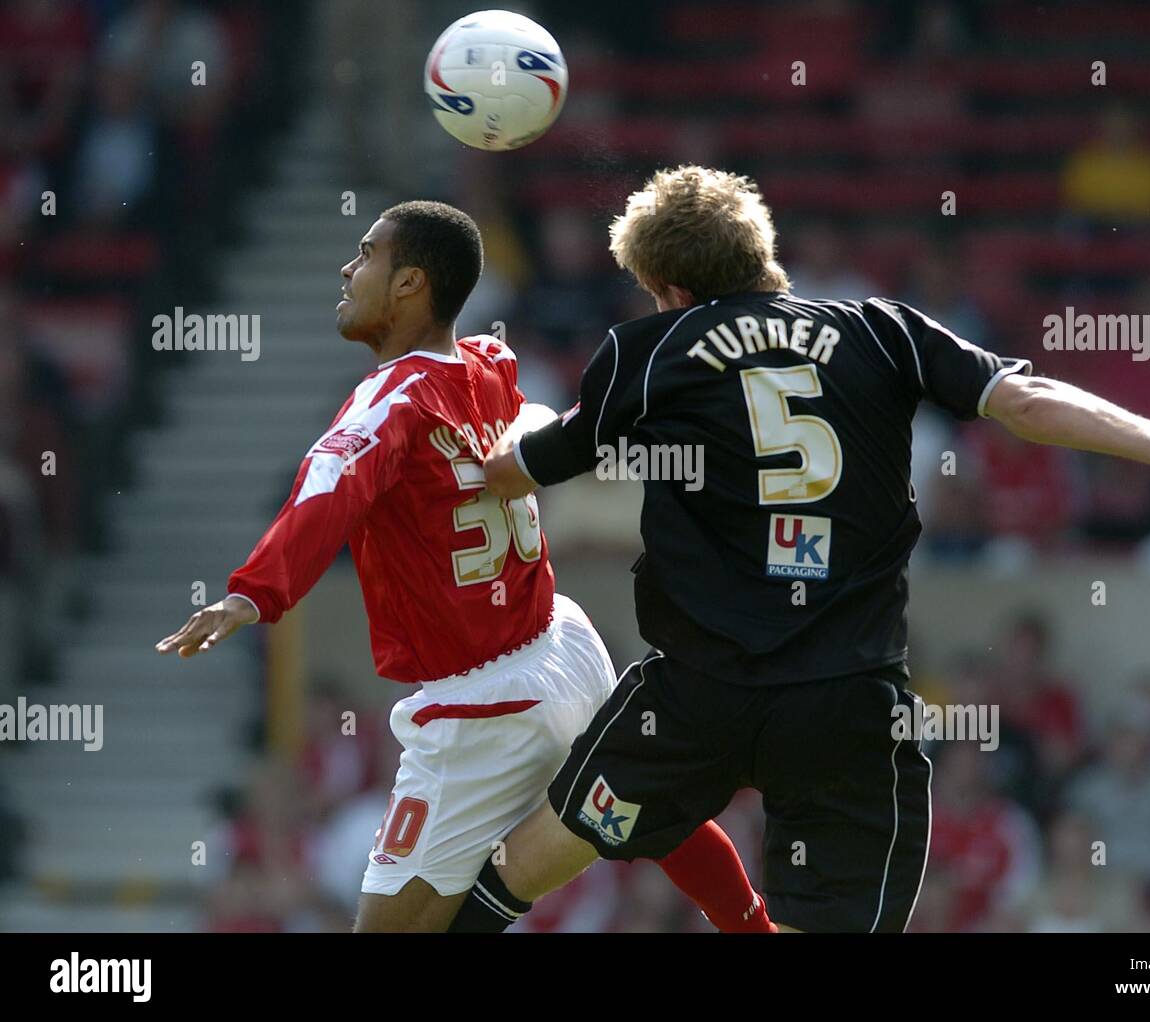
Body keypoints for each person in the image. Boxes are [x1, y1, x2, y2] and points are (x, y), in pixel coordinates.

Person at [452, 165, 1150, 933]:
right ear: (761, 253)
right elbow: (1028, 403)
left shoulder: (648, 350)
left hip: (697, 698)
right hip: (847, 707)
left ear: (671, 290)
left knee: (521, 868)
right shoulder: (885, 330)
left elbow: (516, 472)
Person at [156, 199, 773, 933]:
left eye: (366, 254)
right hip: (563, 647)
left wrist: (251, 594)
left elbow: (329, 487)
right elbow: (531, 427)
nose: (348, 270)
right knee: (650, 811)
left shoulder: (391, 399)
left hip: (484, 705)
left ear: (411, 283)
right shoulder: (488, 365)